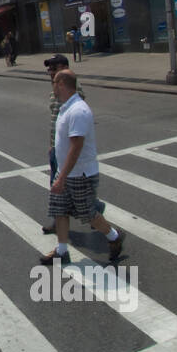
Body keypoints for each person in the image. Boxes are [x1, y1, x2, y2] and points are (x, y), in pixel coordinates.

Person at [40, 69, 126, 265]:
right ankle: (62, 251)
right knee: (60, 209)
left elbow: (76, 146)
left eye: (54, 81)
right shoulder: (66, 107)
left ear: (62, 84)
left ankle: (114, 237)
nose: (52, 85)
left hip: (81, 174)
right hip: (66, 172)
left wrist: (61, 177)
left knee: (87, 213)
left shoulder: (79, 110)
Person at [41, 55, 104, 233]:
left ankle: (98, 215)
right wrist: (52, 144)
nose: (50, 72)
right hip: (56, 148)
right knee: (58, 191)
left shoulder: (72, 92)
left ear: (63, 68)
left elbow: (77, 118)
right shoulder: (56, 91)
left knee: (67, 191)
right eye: (49, 69)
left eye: (53, 69)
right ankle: (59, 224)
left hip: (70, 154)